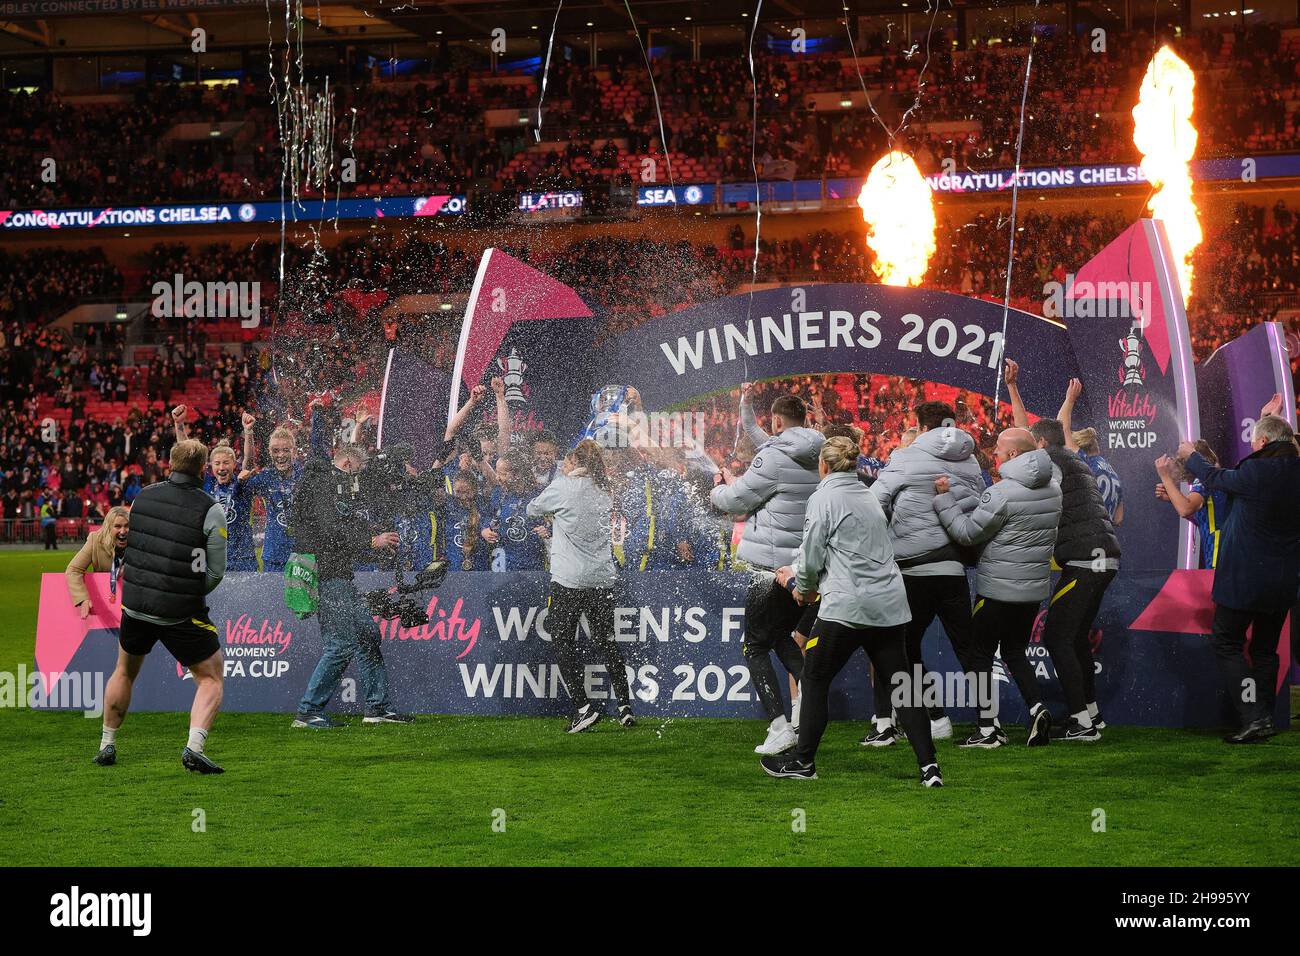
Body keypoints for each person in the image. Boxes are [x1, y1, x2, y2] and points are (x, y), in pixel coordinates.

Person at [761, 438, 942, 787]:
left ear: (824, 466)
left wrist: (798, 584)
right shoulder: (870, 496)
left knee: (813, 679)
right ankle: (929, 767)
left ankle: (803, 761)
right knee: (902, 686)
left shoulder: (823, 498)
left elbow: (812, 555)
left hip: (847, 605)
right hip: (888, 605)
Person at [99, 439, 227, 773]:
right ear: (203, 469)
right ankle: (194, 748)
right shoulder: (211, 508)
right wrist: (189, 591)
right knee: (211, 677)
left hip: (136, 605)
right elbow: (215, 572)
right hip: (179, 611)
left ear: (170, 463)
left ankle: (106, 743)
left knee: (124, 670)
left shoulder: (143, 497)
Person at [1009, 369, 1122, 741]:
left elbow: (1023, 437)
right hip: (1103, 555)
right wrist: (1014, 387)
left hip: (1086, 560)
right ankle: (1091, 713)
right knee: (1072, 638)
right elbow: (1040, 432)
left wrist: (1013, 388)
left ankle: (1082, 724)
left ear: (1040, 445)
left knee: (1057, 636)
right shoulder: (1072, 457)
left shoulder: (1049, 460)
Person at [933, 427, 1061, 748]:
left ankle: (989, 729)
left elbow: (966, 533)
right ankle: (1037, 707)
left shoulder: (1002, 493)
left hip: (997, 591)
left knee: (979, 654)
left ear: (1014, 455)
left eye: (1000, 450)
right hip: (1032, 591)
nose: (995, 455)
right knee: (1016, 651)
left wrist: (944, 498)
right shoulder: (1054, 488)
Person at [712, 388, 823, 755]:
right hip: (802, 567)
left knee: (754, 645)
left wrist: (719, 490)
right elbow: (760, 440)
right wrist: (745, 407)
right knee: (779, 637)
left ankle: (779, 727)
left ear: (777, 421)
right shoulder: (818, 451)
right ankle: (805, 698)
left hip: (768, 569)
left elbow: (738, 500)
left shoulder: (773, 458)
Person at [1177, 413, 1300, 743]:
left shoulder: (1256, 471)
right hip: (1284, 581)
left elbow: (1216, 479)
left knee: (1227, 641)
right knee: (1265, 651)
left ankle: (1252, 716)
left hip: (1245, 579)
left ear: (1262, 443)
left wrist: (1192, 457)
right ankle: (1266, 716)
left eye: (1254, 442)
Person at [867, 400, 984, 746]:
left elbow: (874, 502)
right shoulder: (971, 459)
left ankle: (930, 717)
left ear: (919, 424)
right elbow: (978, 504)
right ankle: (989, 726)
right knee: (968, 648)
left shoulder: (906, 457)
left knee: (902, 649)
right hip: (952, 568)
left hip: (913, 570)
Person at [291, 415, 413, 729]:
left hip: (341, 575)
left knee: (367, 636)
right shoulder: (325, 484)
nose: (357, 482)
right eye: (357, 473)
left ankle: (377, 708)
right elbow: (331, 530)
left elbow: (342, 532)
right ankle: (308, 711)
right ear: (347, 465)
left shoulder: (335, 485)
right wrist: (370, 540)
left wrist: (372, 544)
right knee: (340, 644)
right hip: (328, 575)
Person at [526, 439, 634, 733]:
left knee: (562, 641)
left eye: (567, 460)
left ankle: (584, 708)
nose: (563, 463)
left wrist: (557, 502)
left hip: (569, 579)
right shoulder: (605, 489)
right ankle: (625, 706)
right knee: (607, 641)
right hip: (601, 578)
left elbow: (532, 508)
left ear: (574, 463)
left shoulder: (562, 486)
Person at [1054, 375, 1125, 525]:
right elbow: (1118, 519)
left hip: (1086, 534)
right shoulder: (1113, 472)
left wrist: (1070, 399)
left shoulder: (1083, 462)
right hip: (1108, 538)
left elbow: (1062, 427)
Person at [244, 422, 303, 573]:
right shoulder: (266, 477)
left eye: (286, 450)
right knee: (273, 597)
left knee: (301, 597)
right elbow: (247, 473)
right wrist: (249, 433)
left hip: (302, 553)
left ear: (294, 451)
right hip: (274, 555)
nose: (281, 455)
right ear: (270, 452)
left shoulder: (305, 476)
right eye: (276, 451)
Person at [66, 506, 130, 619]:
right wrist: (82, 598)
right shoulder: (95, 540)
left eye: (126, 526)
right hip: (106, 605)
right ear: (108, 527)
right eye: (118, 526)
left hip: (133, 605)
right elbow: (73, 570)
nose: (123, 531)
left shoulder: (140, 542)